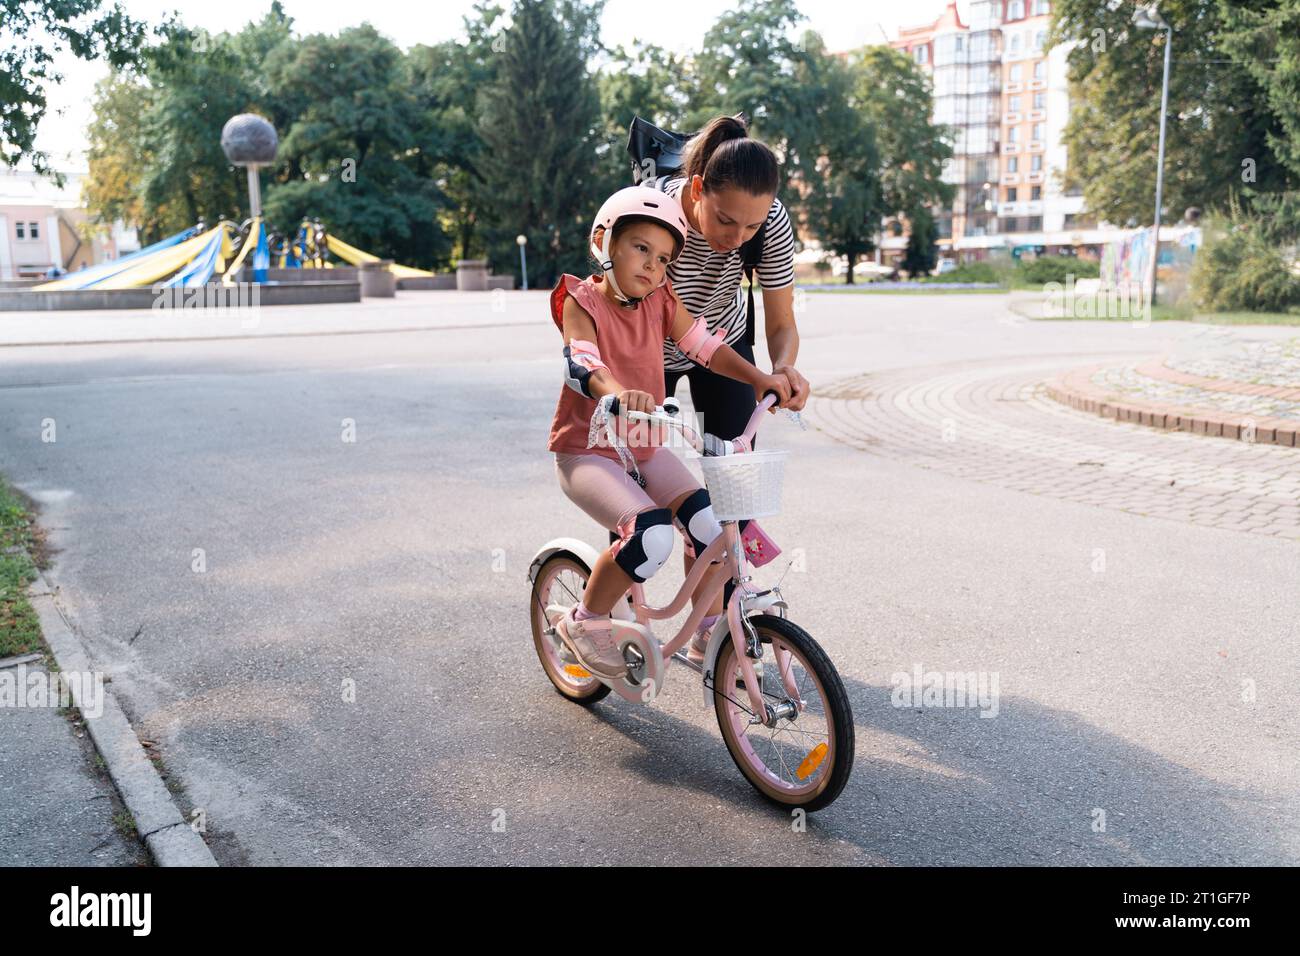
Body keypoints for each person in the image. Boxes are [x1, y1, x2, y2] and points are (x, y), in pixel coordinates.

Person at [549, 185, 791, 680]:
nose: (652, 267)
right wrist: (616, 390)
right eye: (641, 248)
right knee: (653, 536)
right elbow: (581, 360)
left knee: (713, 529)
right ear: (605, 241)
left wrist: (761, 377)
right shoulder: (582, 299)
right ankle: (586, 620)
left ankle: (706, 628)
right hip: (588, 453)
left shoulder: (660, 300)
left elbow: (705, 346)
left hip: (645, 445)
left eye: (662, 259)